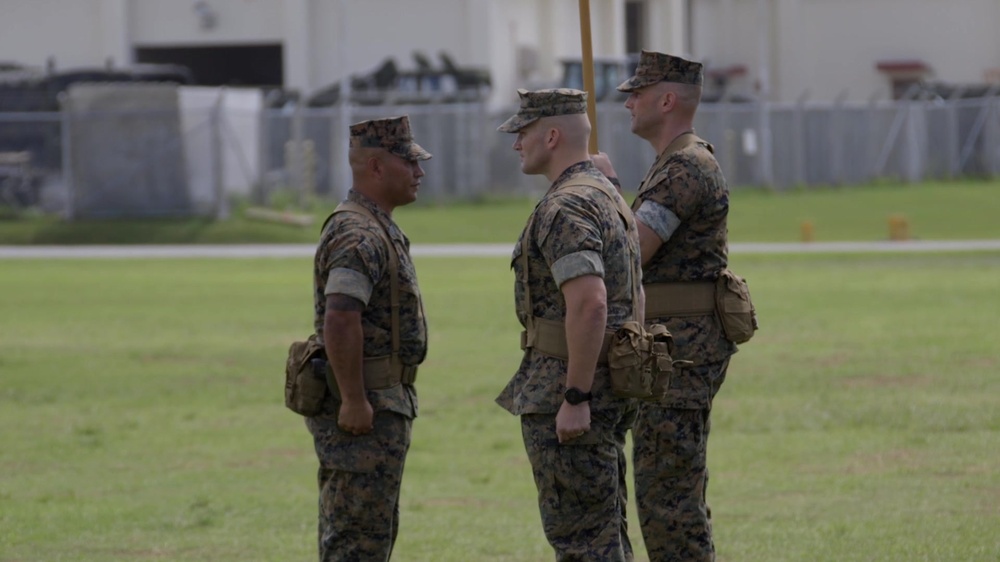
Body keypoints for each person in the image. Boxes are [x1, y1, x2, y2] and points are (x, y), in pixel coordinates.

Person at [592, 50, 738, 562]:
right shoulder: (675, 163)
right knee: (668, 498)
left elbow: (633, 248)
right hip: (672, 353)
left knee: (669, 506)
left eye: (638, 93)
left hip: (679, 358)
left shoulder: (685, 168)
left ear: (668, 99)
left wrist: (603, 190)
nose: (629, 102)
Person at [495, 88, 642, 561]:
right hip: (610, 381)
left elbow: (590, 303)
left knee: (583, 544)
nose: (517, 143)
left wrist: (575, 397)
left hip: (572, 385)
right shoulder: (607, 194)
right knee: (604, 532)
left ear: (552, 135)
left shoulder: (567, 206)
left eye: (524, 132)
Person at [305, 115, 430, 561]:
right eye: (410, 163)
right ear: (376, 167)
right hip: (365, 407)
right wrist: (354, 400)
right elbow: (340, 319)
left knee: (370, 534)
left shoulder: (374, 225)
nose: (419, 173)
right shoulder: (358, 234)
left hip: (382, 401)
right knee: (356, 541)